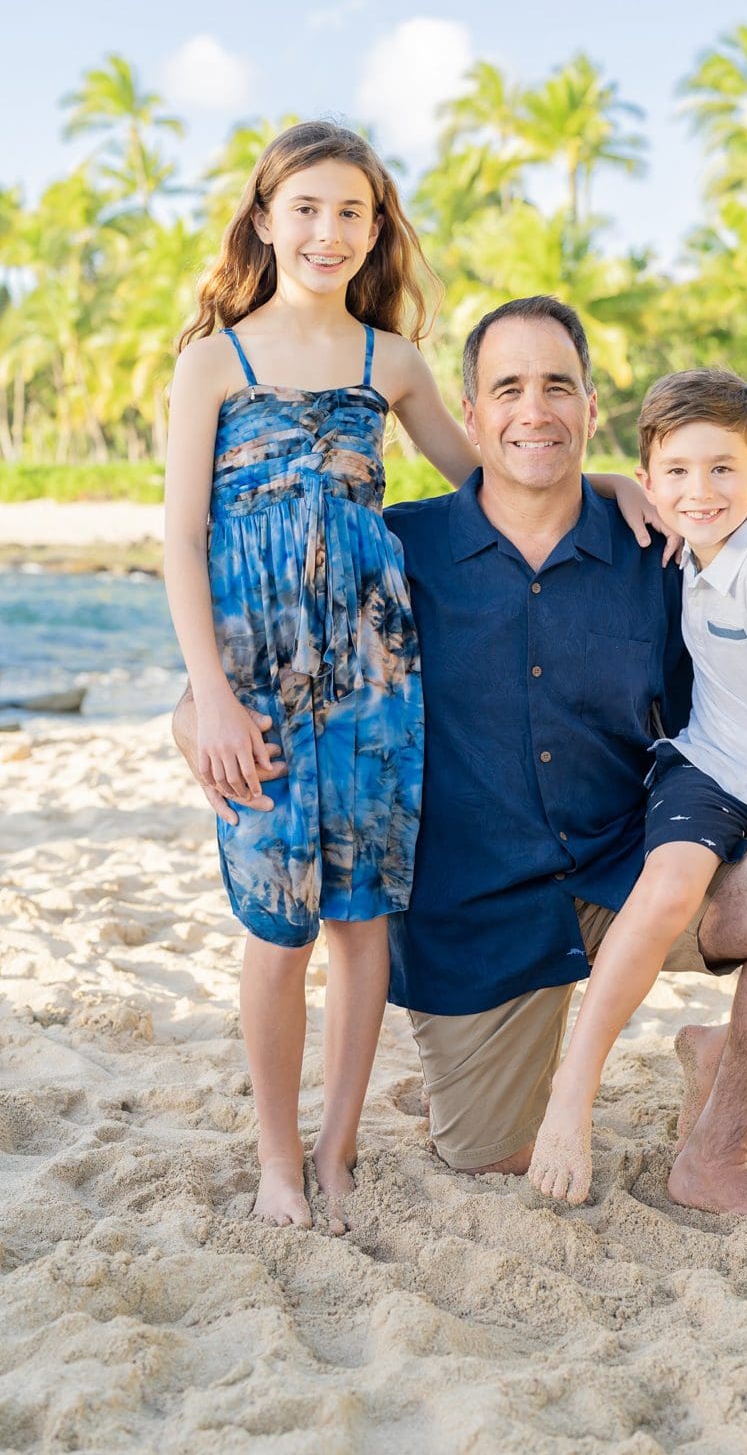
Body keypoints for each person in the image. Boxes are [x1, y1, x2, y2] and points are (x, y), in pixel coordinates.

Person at [174, 296, 747, 1222]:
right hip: (476, 915)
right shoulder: (400, 550)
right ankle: (506, 1073)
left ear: (590, 409)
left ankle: (714, 1151)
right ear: (468, 416)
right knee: (488, 1157)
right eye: (506, 388)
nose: (533, 409)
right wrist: (192, 712)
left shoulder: (661, 549)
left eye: (557, 386)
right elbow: (278, 646)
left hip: (632, 869)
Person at [166, 142, 657, 1232]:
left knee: (361, 919)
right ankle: (277, 1161)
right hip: (257, 678)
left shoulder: (390, 362)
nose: (327, 232)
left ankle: (337, 1152)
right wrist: (204, 690)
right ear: (260, 218)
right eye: (305, 209)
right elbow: (182, 537)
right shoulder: (211, 362)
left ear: (377, 230)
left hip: (377, 671)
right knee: (276, 929)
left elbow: (488, 474)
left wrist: (610, 473)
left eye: (353, 212)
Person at [530, 367, 747, 1210]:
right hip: (707, 770)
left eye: (723, 469)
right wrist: (619, 480)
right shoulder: (688, 533)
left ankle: (716, 1048)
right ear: (651, 484)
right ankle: (573, 1096)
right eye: (679, 474)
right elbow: (603, 481)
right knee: (666, 890)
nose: (700, 490)